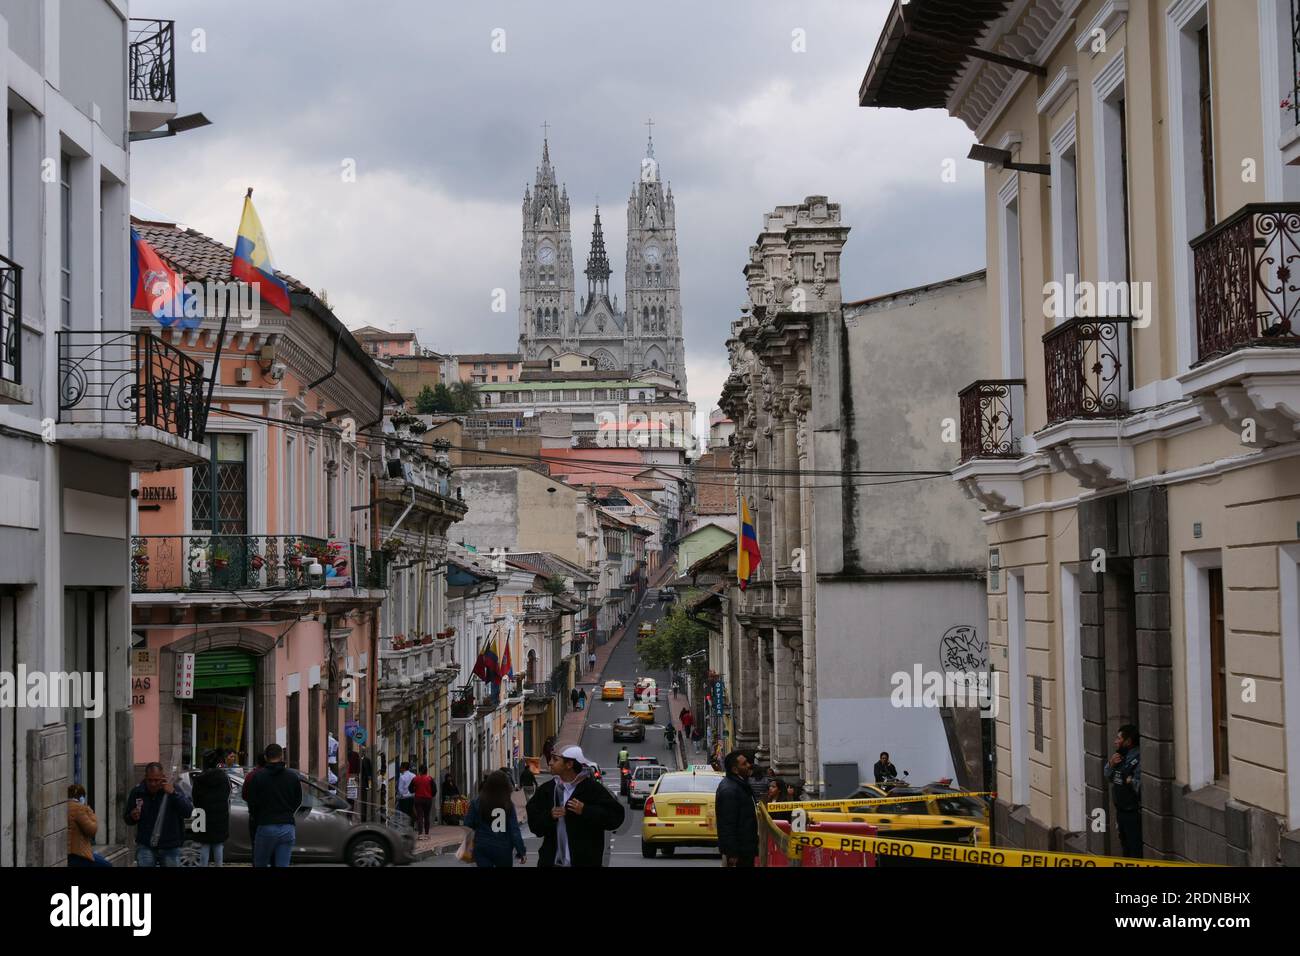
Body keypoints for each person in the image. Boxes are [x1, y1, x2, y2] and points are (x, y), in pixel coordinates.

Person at [525, 745, 625, 867]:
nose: (550, 763)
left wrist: (585, 810)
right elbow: (535, 826)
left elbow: (616, 818)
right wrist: (549, 816)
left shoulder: (592, 789)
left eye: (555, 760)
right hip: (551, 862)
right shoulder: (547, 790)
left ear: (569, 764)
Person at [244, 743, 302, 867]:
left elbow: (252, 801)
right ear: (282, 756)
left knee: (260, 863)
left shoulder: (258, 776)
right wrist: (288, 812)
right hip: (287, 826)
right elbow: (298, 800)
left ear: (266, 757)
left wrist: (257, 816)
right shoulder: (292, 776)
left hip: (266, 824)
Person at [124, 763, 193, 867]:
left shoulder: (173, 789)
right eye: (150, 780)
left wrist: (173, 794)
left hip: (170, 846)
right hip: (145, 845)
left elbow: (188, 811)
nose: (153, 784)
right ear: (145, 778)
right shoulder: (138, 792)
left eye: (157, 780)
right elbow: (127, 818)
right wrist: (132, 817)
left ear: (163, 777)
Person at [462, 770, 527, 867]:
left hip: (482, 845)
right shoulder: (507, 804)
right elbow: (514, 830)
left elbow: (468, 823)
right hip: (503, 847)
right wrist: (521, 851)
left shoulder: (477, 802)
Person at [716, 750, 758, 867]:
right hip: (739, 852)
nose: (749, 765)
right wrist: (732, 853)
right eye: (744, 764)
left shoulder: (740, 785)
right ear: (735, 769)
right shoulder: (730, 790)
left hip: (745, 849)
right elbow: (727, 824)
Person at [1106, 724, 1142, 858]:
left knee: (1135, 850)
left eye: (1118, 738)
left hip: (1133, 813)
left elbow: (1142, 786)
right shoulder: (1119, 756)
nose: (1115, 741)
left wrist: (1131, 781)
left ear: (1128, 741)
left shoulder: (1138, 758)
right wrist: (1111, 764)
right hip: (1121, 811)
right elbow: (1108, 775)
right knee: (1125, 847)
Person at [191, 749, 231, 867]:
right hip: (220, 815)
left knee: (204, 844)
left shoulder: (199, 779)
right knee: (218, 844)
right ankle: (219, 865)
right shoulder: (223, 777)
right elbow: (227, 794)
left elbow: (195, 798)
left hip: (203, 815)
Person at [67, 784, 111, 867]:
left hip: (69, 852)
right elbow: (92, 830)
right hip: (77, 854)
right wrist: (90, 811)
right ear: (81, 797)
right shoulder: (78, 808)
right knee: (106, 865)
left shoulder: (65, 806)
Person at [242, 752, 267, 847]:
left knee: (256, 844)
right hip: (270, 815)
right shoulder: (273, 775)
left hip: (255, 814)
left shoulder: (251, 776)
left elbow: (244, 795)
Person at [411, 764, 436, 835]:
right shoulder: (430, 779)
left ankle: (420, 833)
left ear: (420, 771)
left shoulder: (415, 779)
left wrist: (415, 790)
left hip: (418, 799)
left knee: (420, 816)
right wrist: (431, 795)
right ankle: (427, 833)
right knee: (427, 816)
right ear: (426, 771)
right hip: (428, 799)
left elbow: (410, 789)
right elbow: (434, 790)